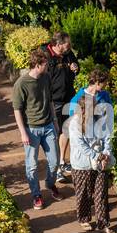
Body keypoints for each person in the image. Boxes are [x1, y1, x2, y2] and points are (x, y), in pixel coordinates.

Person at [13, 47, 62, 210]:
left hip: (48, 126)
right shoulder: (21, 84)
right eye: (46, 64)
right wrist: (23, 133)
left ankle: (50, 184)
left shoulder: (46, 77)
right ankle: (36, 195)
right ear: (38, 64)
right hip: (31, 130)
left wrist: (55, 122)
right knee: (32, 165)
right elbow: (17, 109)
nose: (48, 67)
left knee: (55, 162)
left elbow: (50, 101)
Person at [69, 69, 115, 233]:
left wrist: (106, 154)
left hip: (100, 161)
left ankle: (104, 224)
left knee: (101, 193)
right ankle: (84, 218)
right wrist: (98, 155)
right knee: (84, 194)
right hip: (82, 163)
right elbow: (80, 144)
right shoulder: (75, 123)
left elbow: (107, 136)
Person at [45, 33, 81, 184]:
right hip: (54, 101)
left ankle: (62, 162)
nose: (69, 48)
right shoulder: (46, 56)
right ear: (58, 44)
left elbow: (75, 66)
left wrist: (75, 67)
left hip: (69, 97)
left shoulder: (67, 53)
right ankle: (56, 169)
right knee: (54, 133)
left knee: (66, 130)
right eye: (66, 46)